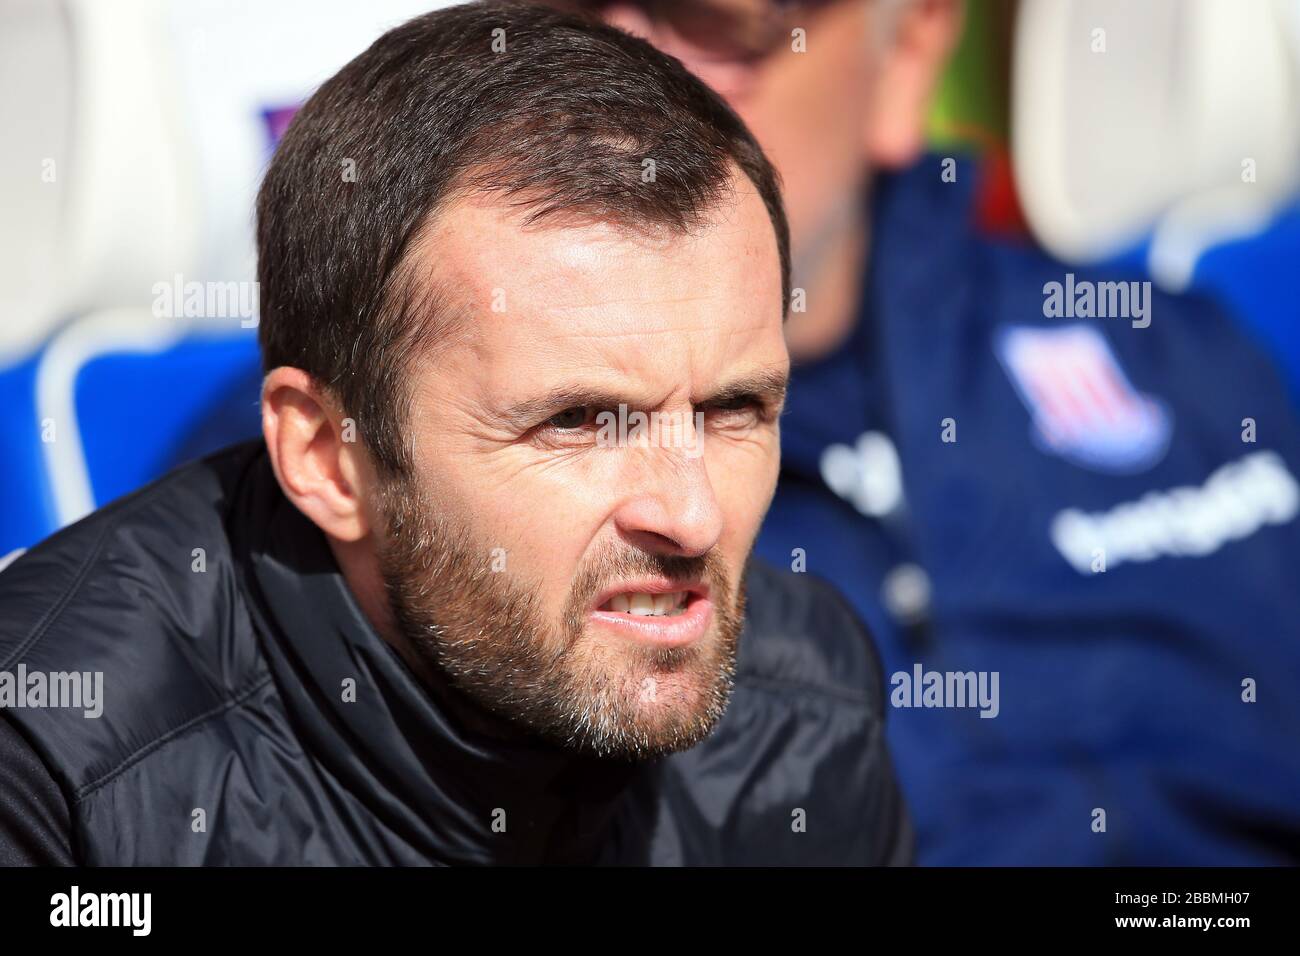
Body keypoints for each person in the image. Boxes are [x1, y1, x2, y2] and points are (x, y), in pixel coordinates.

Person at [0, 1, 910, 866]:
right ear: (326, 457)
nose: (692, 515)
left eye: (732, 410)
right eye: (581, 423)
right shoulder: (55, 771)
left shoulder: (804, 710)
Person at [560, 0, 1300, 863]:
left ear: (907, 49)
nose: (611, 73)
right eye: (559, 19)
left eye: (714, 20)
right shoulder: (453, 464)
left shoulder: (1178, 353)